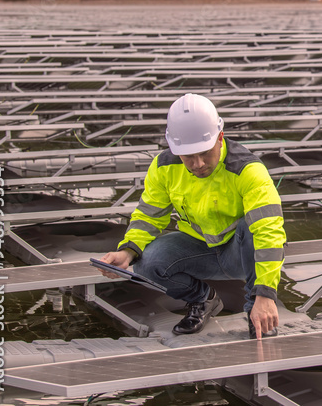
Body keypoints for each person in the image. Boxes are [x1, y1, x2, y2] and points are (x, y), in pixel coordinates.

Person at [96, 93, 287, 340]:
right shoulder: (164, 167)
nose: (197, 164)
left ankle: (256, 312)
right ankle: (203, 300)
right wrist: (127, 251)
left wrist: (266, 294)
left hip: (239, 254)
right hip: (201, 249)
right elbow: (149, 214)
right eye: (188, 156)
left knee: (253, 227)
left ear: (220, 137)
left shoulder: (248, 171)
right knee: (147, 262)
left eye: (204, 153)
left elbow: (269, 231)